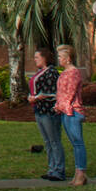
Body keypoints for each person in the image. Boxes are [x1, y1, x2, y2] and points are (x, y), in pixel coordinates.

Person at [29, 46, 64, 182]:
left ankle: (59, 171)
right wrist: (31, 97)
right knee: (48, 141)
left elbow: (54, 93)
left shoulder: (52, 73)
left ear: (44, 58)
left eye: (37, 57)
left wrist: (38, 97)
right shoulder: (40, 72)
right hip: (39, 110)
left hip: (49, 112)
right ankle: (51, 169)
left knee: (55, 140)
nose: (35, 60)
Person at [55, 45, 87, 186]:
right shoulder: (63, 73)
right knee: (74, 144)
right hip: (64, 111)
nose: (59, 59)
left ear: (68, 59)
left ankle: (81, 173)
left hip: (73, 111)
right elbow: (60, 93)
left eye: (61, 57)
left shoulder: (74, 73)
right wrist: (59, 106)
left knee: (78, 143)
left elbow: (70, 93)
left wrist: (62, 106)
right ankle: (77, 174)